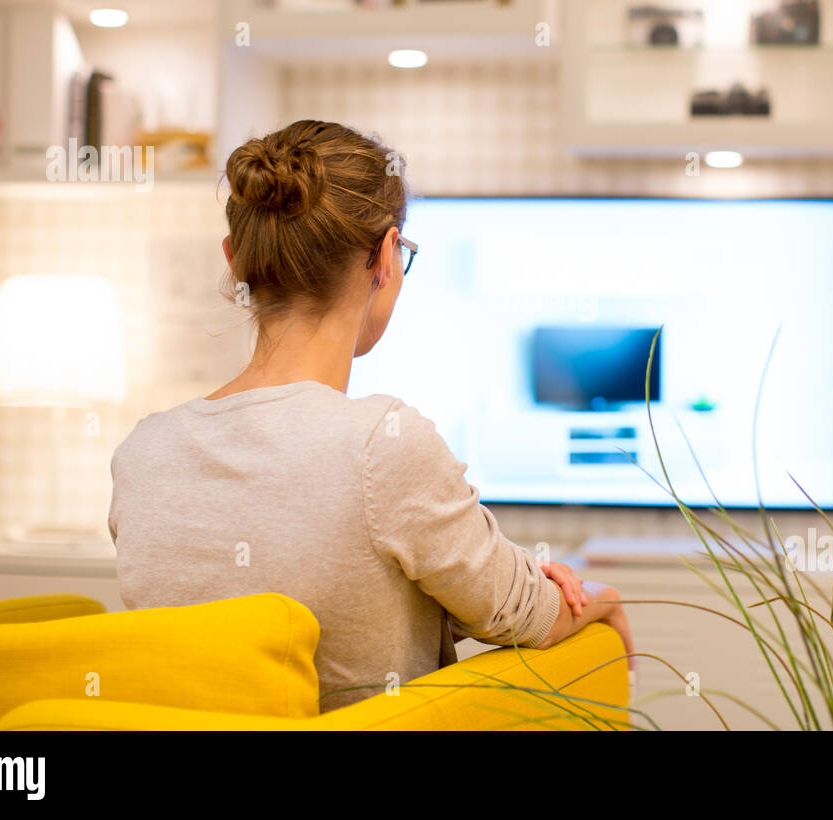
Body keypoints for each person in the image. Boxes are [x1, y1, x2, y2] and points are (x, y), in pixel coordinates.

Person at [108, 119, 634, 714]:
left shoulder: (142, 455)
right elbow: (525, 615)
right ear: (385, 257)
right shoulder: (381, 444)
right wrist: (601, 598)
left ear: (234, 260)